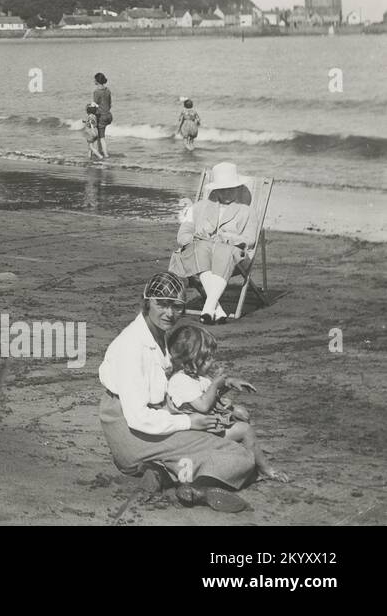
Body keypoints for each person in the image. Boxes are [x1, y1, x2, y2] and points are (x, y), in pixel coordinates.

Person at [97, 272, 255, 511]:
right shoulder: (131, 346)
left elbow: (183, 373)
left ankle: (160, 471)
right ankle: (199, 486)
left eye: (176, 306)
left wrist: (223, 382)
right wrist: (188, 421)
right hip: (133, 432)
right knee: (239, 455)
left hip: (145, 427)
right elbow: (138, 417)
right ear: (147, 301)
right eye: (161, 304)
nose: (169, 313)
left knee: (208, 438)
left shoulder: (155, 334)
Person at [166, 324, 288, 482]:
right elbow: (203, 406)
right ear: (192, 360)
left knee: (240, 412)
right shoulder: (180, 380)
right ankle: (265, 469)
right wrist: (216, 384)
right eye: (207, 358)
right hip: (194, 434)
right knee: (245, 430)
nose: (212, 361)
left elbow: (211, 392)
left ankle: (246, 462)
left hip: (206, 426)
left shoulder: (195, 377)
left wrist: (230, 382)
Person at [168, 161, 252, 324]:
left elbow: (250, 239)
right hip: (202, 254)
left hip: (232, 255)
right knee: (200, 248)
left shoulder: (246, 211)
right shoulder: (198, 208)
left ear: (238, 188)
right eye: (222, 188)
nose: (227, 192)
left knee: (223, 251)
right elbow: (183, 235)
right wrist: (196, 237)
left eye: (231, 188)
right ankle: (217, 310)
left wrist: (228, 237)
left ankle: (208, 308)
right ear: (215, 189)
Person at [92, 73, 112, 159]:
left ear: (97, 81)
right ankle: (100, 151)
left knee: (102, 137)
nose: (93, 81)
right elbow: (110, 104)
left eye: (94, 79)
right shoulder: (108, 90)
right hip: (108, 115)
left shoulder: (96, 92)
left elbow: (94, 105)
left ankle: (106, 155)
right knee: (100, 136)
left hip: (101, 116)